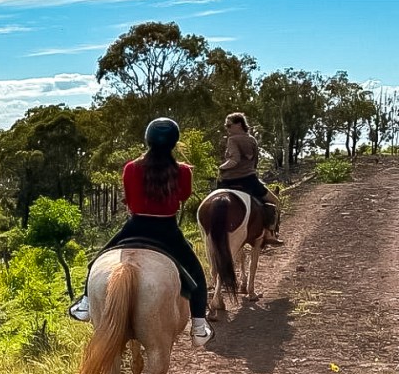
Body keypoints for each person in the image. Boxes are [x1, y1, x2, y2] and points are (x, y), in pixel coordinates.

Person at [69, 117, 212, 346]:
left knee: (95, 261)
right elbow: (183, 196)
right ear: (174, 142)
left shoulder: (131, 168)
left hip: (135, 225)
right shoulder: (183, 171)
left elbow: (129, 197)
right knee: (195, 273)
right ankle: (198, 326)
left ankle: (86, 304)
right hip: (167, 229)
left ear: (148, 139)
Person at [216, 111, 282, 245]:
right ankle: (270, 233)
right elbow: (255, 162)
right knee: (275, 202)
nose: (226, 128)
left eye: (229, 125)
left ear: (239, 124)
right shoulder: (252, 140)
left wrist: (221, 167)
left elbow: (234, 160)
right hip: (249, 181)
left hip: (228, 181)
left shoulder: (232, 140)